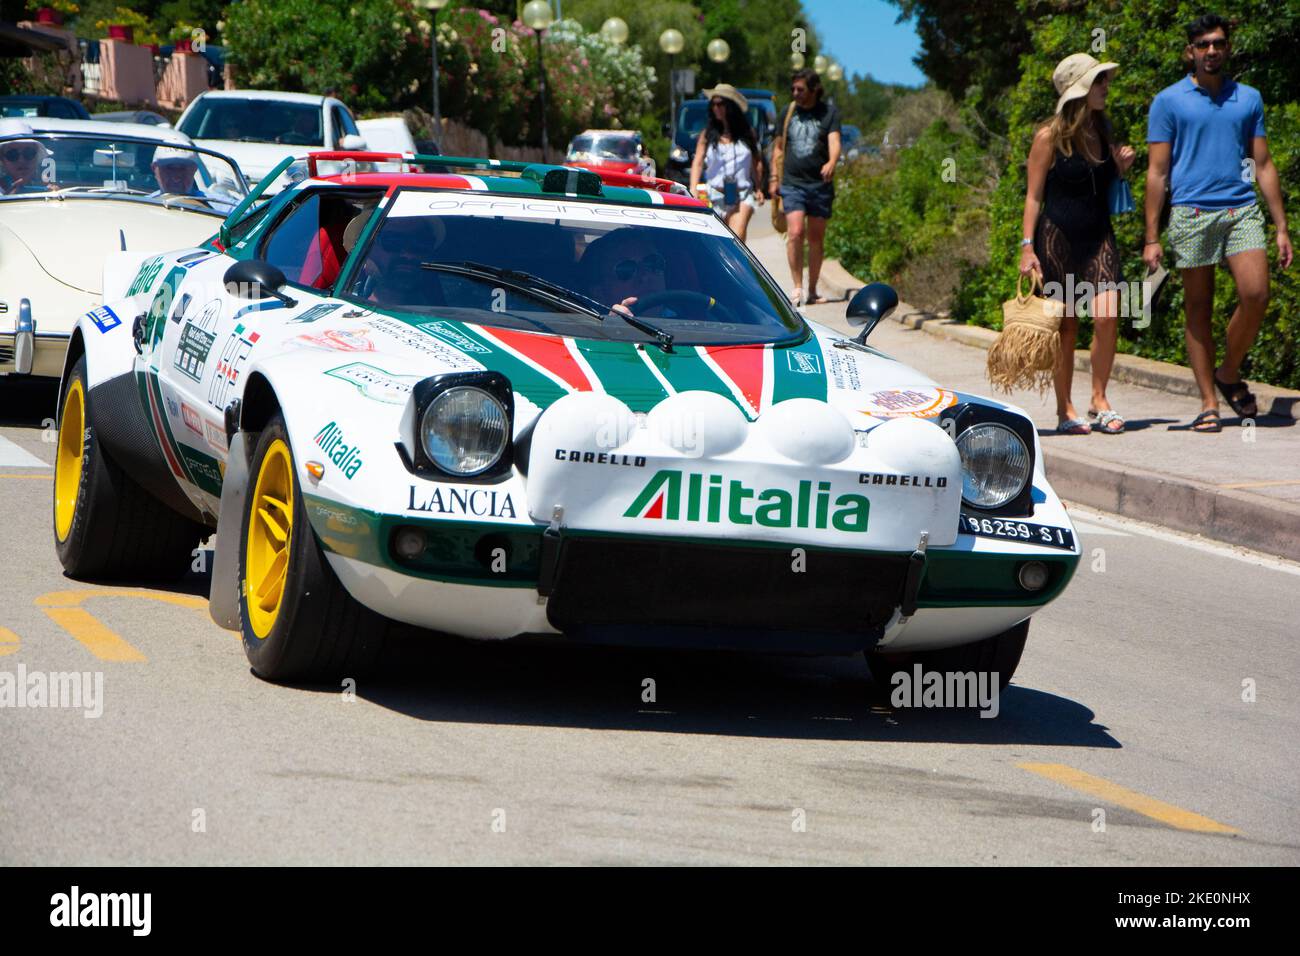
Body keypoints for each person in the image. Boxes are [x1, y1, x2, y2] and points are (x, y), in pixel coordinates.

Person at [1144, 13, 1292, 433]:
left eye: (1219, 43)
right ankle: (1209, 402)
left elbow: (1262, 162)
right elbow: (1156, 172)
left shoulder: (1247, 98)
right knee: (1198, 308)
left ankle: (1228, 371)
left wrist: (1280, 225)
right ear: (1190, 51)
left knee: (1256, 293)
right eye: (1204, 44)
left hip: (1240, 208)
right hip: (1191, 212)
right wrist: (1151, 236)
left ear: (1228, 49)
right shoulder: (1168, 101)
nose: (1212, 51)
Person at [1019, 53, 1136, 435]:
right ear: (1080, 91)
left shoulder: (1103, 130)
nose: (1106, 87)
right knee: (1066, 325)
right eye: (1099, 82)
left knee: (1106, 315)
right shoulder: (1048, 137)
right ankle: (1065, 408)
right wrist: (1026, 247)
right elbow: (1033, 196)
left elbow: (1102, 184)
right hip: (1057, 238)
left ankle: (1099, 399)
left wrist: (1121, 166)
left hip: (1097, 235)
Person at [770, 68, 840, 306]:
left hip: (820, 185)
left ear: (814, 90)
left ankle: (812, 289)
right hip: (793, 183)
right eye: (793, 89)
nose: (795, 93)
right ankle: (797, 287)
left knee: (816, 237)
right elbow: (778, 148)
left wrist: (832, 161)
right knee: (796, 232)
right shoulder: (787, 112)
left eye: (800, 89)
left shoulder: (828, 113)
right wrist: (773, 179)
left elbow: (835, 141)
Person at [689, 84, 765, 241]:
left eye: (720, 104)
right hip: (715, 195)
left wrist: (759, 188)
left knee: (736, 238)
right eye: (713, 104)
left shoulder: (747, 133)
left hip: (742, 194)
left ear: (731, 106)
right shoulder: (707, 134)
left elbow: (756, 162)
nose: (716, 108)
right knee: (720, 242)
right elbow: (697, 163)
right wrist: (693, 188)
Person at [582, 228, 668, 317]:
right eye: (626, 269)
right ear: (598, 292)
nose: (645, 276)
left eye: (653, 263)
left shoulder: (682, 314)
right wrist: (615, 328)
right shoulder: (583, 329)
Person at [0, 121, 50, 194]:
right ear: (2, 159)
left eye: (29, 153)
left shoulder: (45, 186)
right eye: (12, 155)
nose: (21, 160)